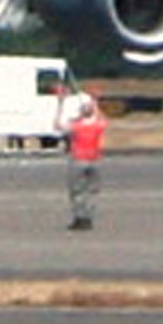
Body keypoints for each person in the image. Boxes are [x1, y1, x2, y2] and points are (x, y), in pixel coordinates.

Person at [58, 77, 104, 231]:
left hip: (78, 159)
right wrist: (95, 101)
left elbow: (58, 125)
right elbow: (100, 118)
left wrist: (60, 103)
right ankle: (88, 218)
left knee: (76, 191)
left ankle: (80, 217)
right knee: (91, 191)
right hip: (95, 160)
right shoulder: (97, 126)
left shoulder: (76, 126)